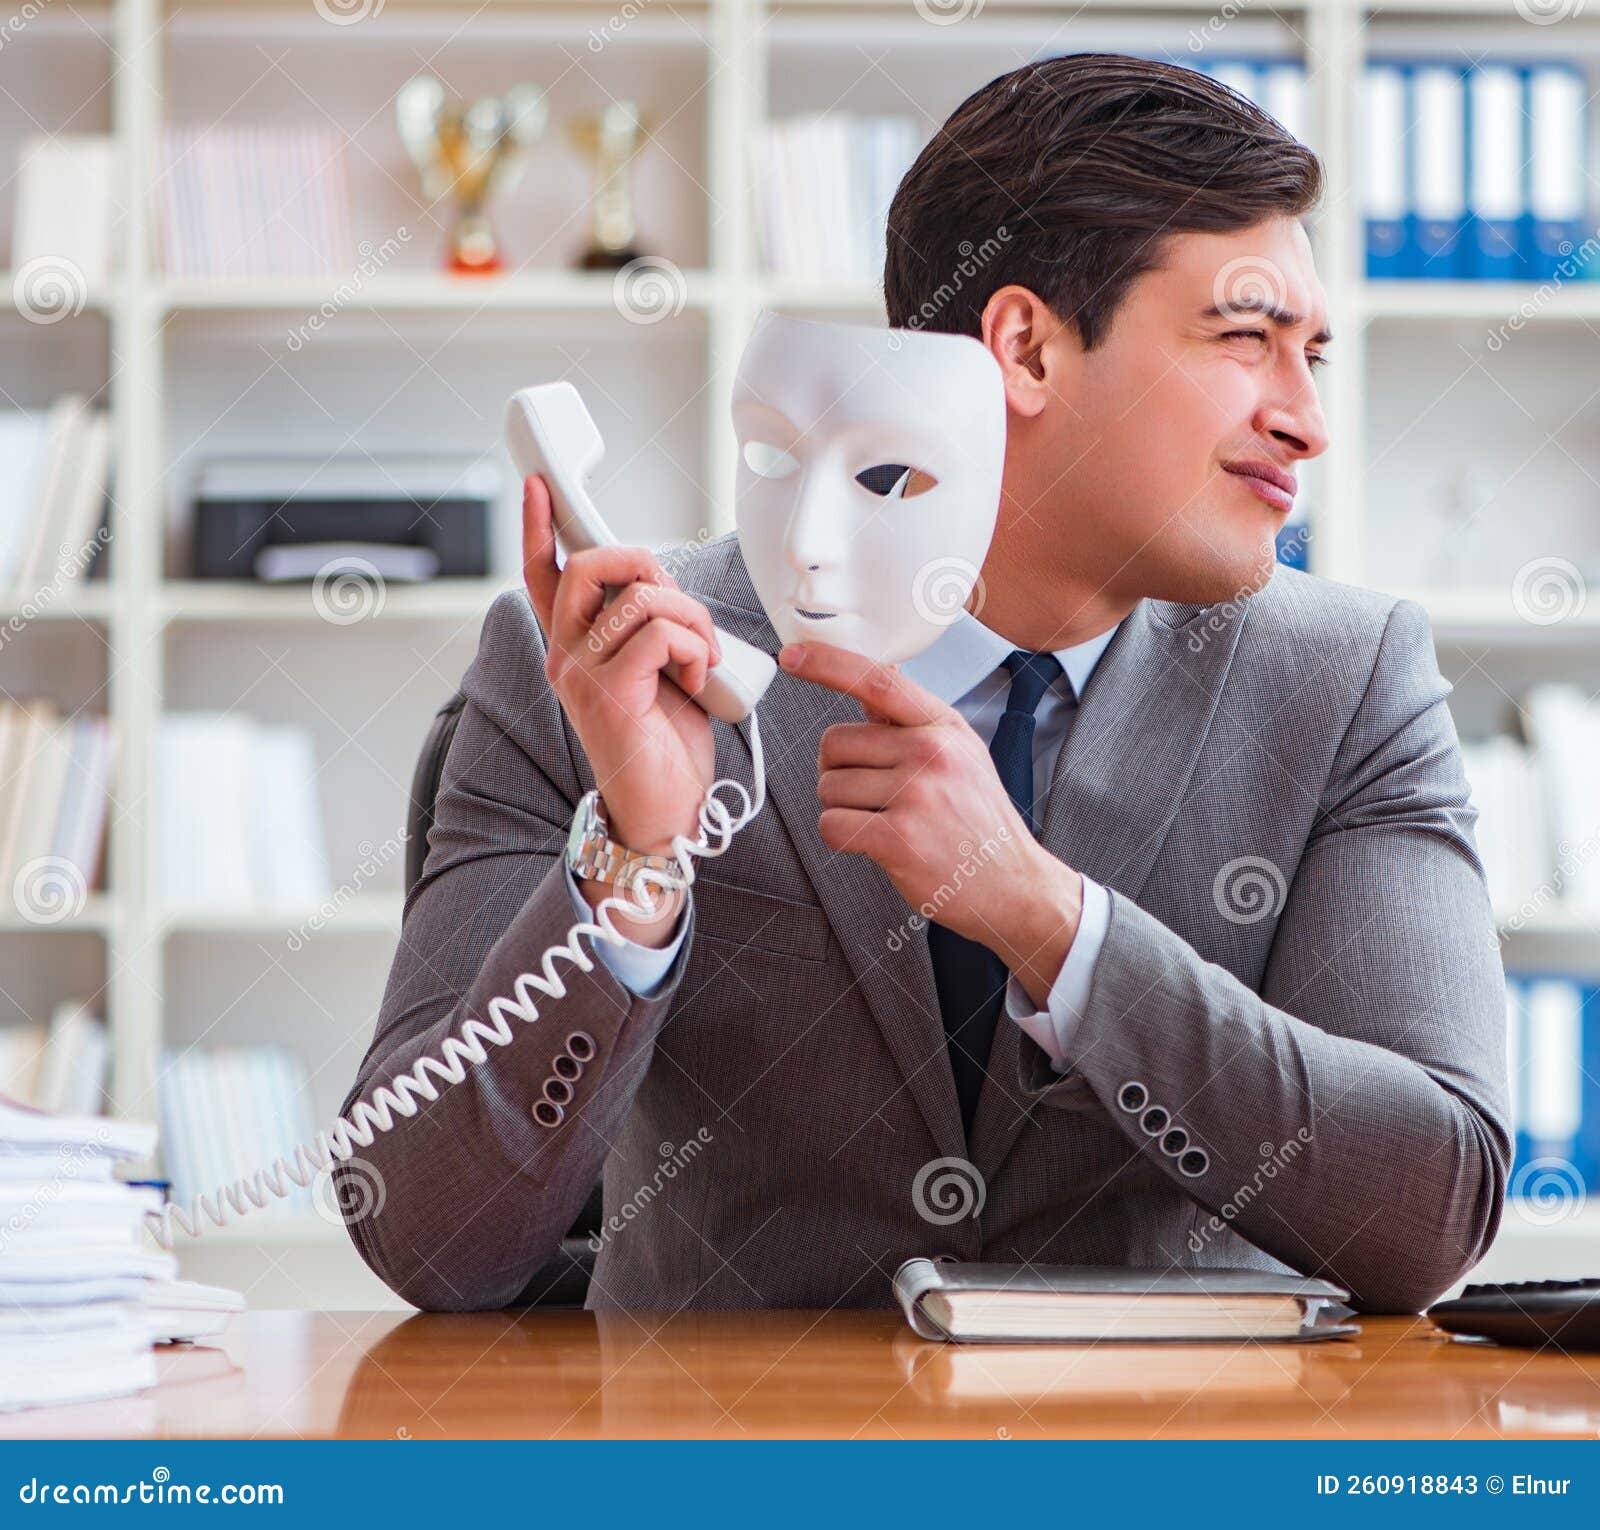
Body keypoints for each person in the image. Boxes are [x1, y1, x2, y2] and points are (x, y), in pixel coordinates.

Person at [337, 53, 1509, 1314]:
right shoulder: (615, 659)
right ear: (1025, 348)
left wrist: (1053, 927)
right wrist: (632, 859)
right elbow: (424, 1240)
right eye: (1245, 340)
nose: (1304, 420)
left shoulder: (1347, 683)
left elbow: (1430, 1212)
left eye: (1311, 356)